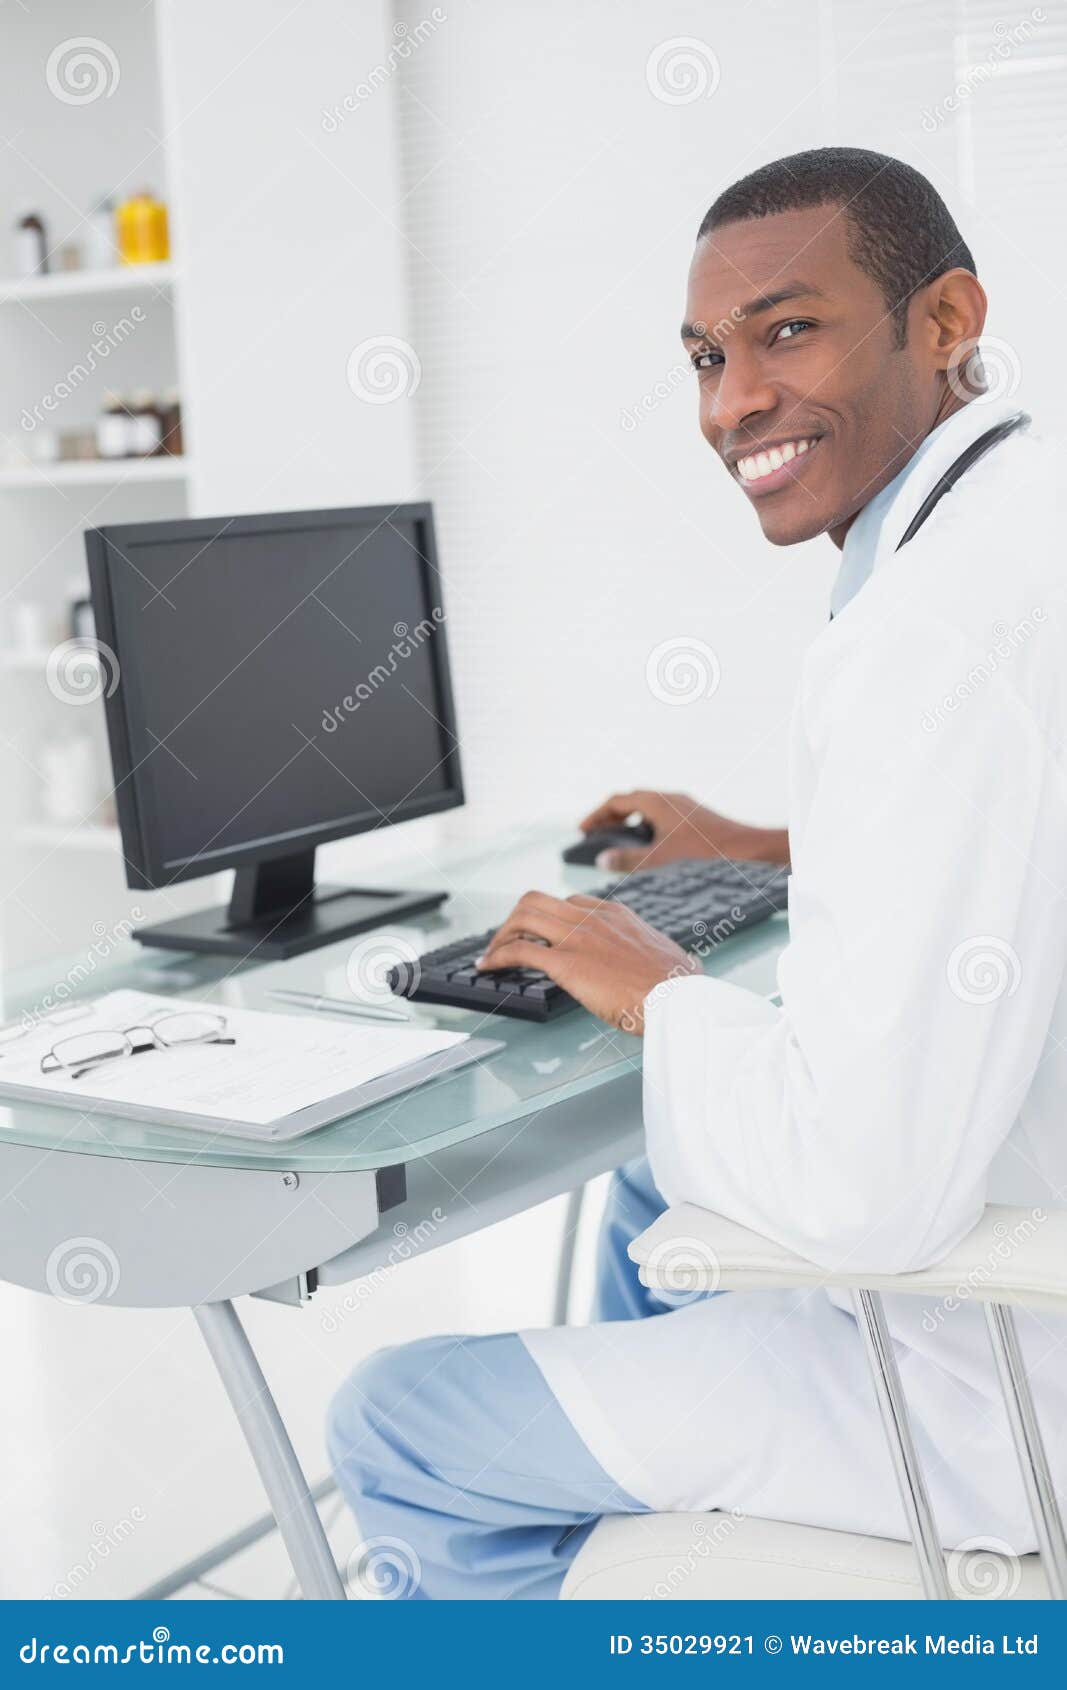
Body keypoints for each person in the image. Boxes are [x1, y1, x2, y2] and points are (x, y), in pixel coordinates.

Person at [328, 147, 1067, 1599]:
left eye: (790, 329)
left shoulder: (921, 641)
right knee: (652, 1181)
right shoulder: (1018, 523)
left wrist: (663, 991)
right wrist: (765, 852)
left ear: (945, 317)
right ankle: (659, 1517)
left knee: (395, 1417)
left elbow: (874, 1195)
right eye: (706, 356)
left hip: (1000, 1378)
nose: (733, 401)